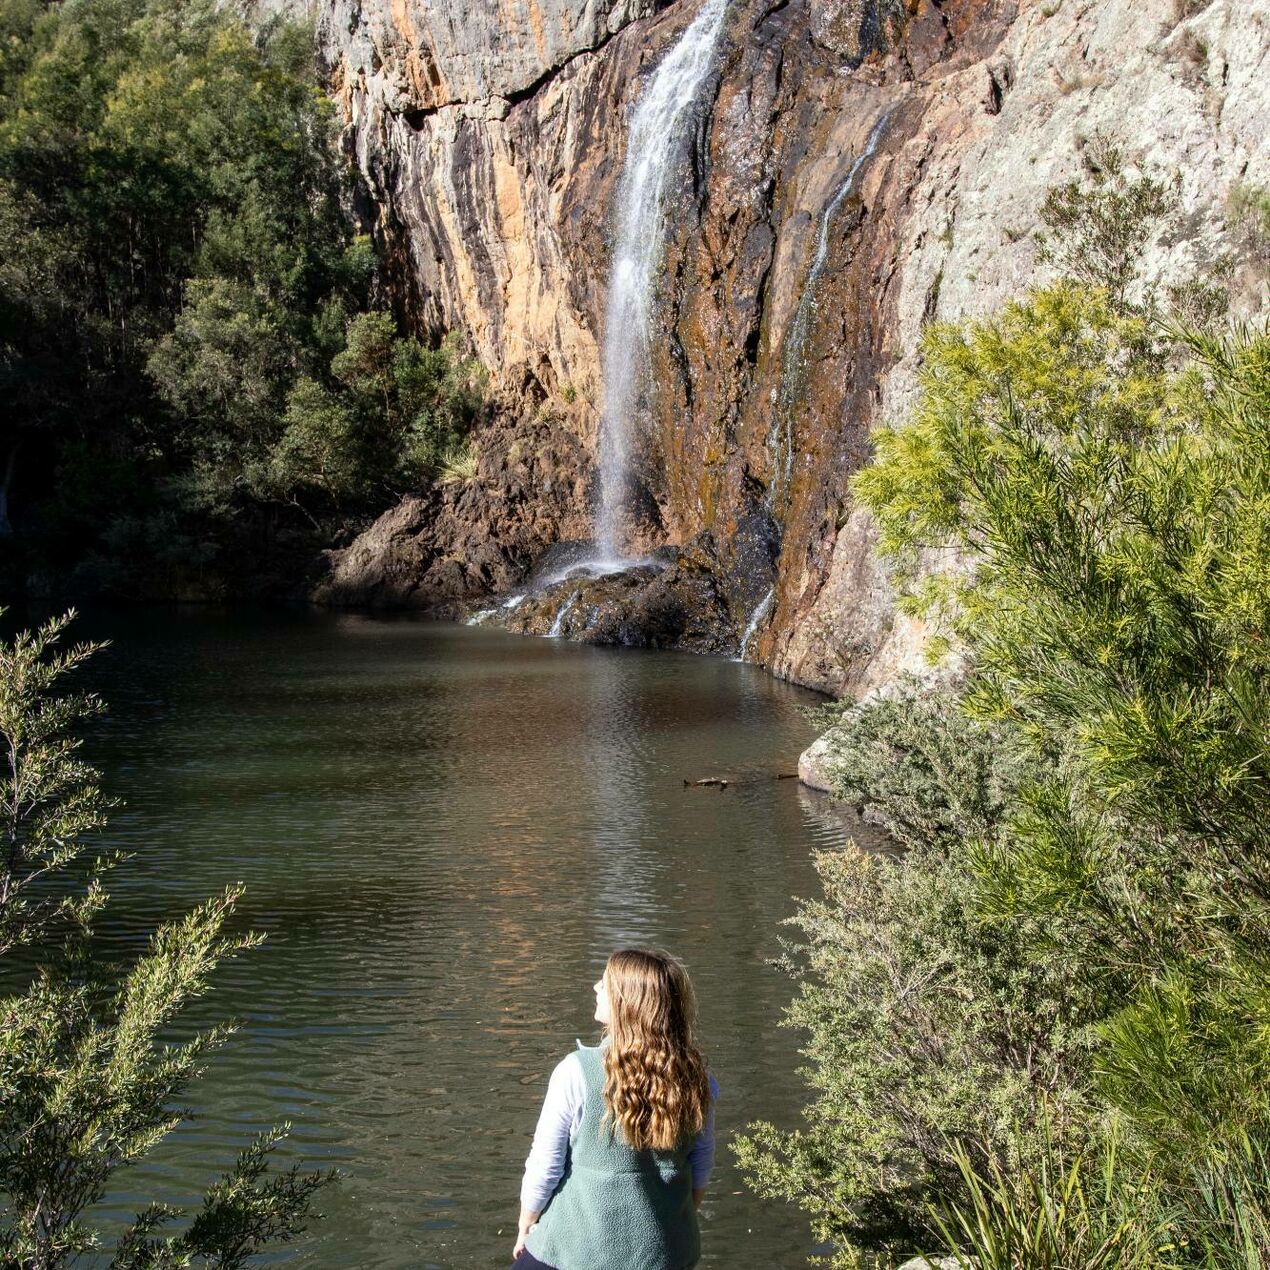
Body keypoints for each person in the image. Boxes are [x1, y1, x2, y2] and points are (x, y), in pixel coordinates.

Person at [511, 948, 719, 1270]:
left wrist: (526, 1225)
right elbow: (701, 1164)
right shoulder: (698, 1079)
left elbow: (545, 1165)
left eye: (604, 983)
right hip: (668, 1254)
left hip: (578, 1252)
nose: (595, 987)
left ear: (627, 1003)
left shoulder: (576, 1072)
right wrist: (670, 1224)